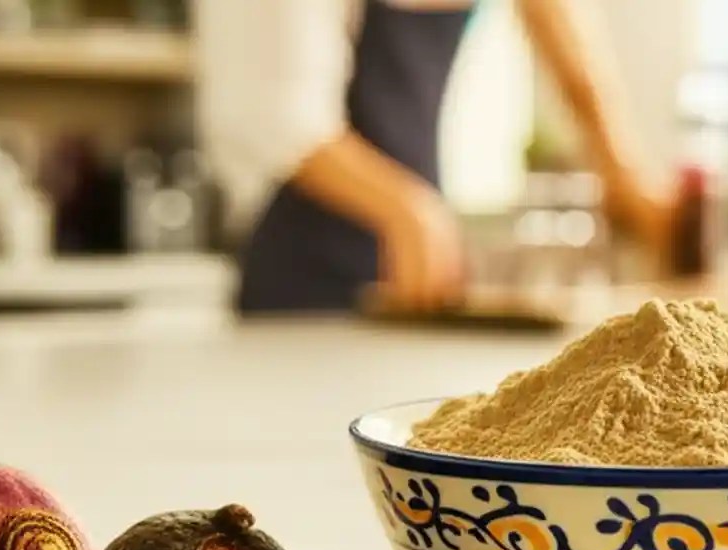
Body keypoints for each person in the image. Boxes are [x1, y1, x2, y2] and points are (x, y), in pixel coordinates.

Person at [197, 0, 670, 314]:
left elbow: (556, 18)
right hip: (300, 285)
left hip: (413, 284)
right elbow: (272, 116)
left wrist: (619, 167)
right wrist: (408, 211)